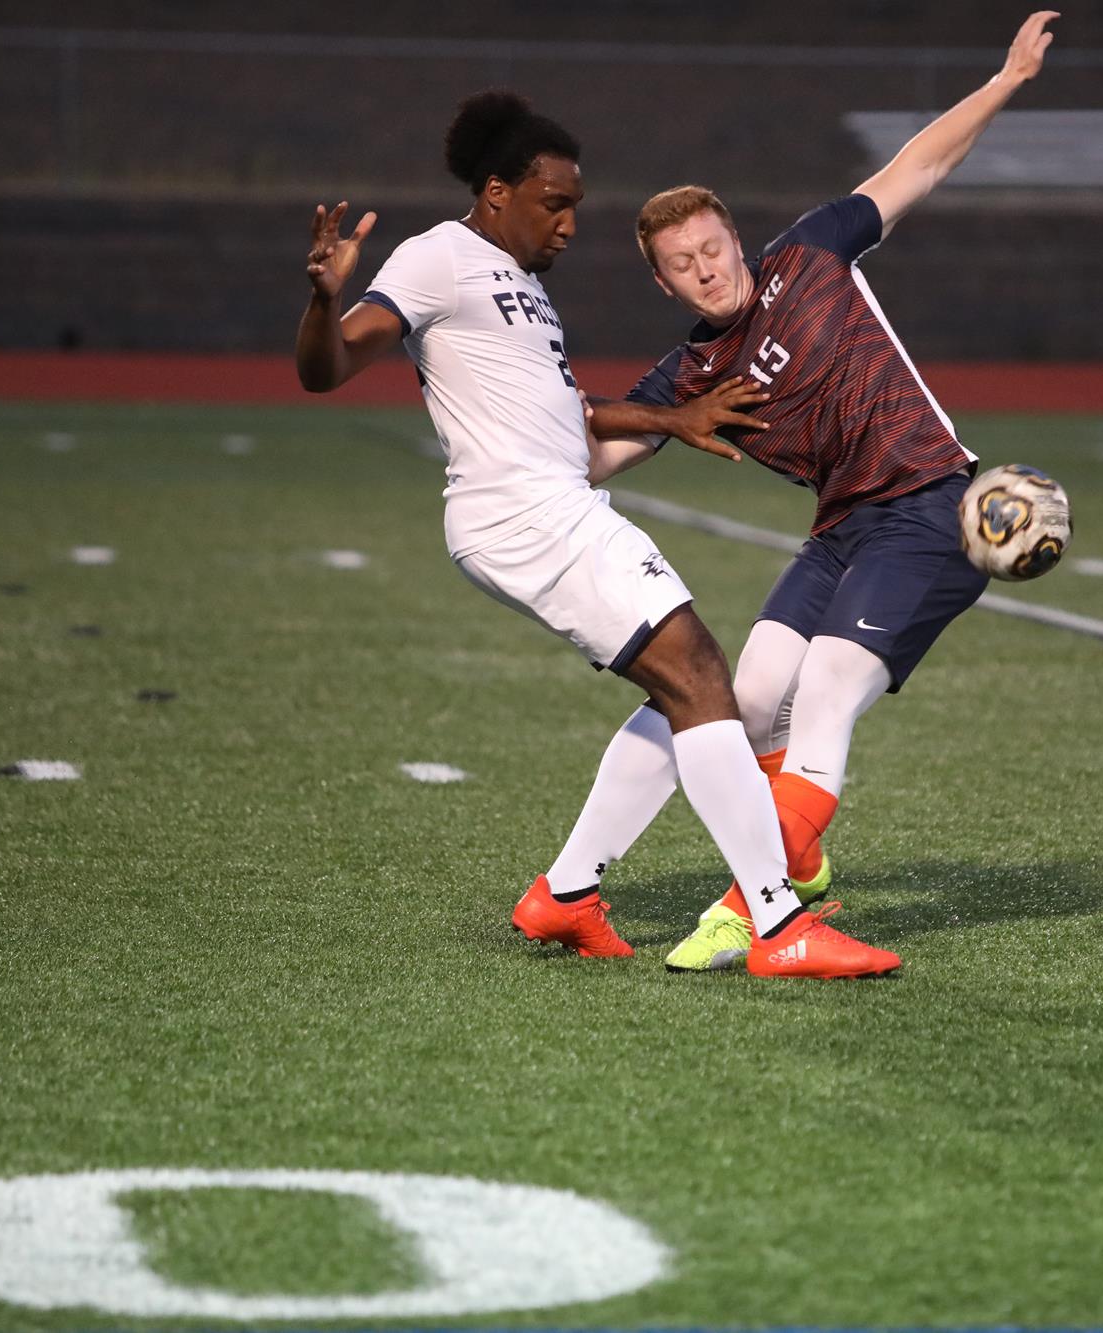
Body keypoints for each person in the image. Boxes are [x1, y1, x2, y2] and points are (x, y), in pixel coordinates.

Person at [296, 89, 901, 978]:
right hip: (525, 513)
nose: (571, 222)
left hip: (548, 506)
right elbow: (330, 366)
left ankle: (566, 898)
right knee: (700, 676)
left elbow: (563, 413)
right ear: (496, 192)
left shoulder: (527, 290)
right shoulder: (439, 257)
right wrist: (322, 301)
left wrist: (675, 416)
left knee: (678, 689)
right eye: (555, 202)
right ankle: (779, 923)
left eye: (576, 203)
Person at [548, 11, 1061, 970]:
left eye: (712, 247)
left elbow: (918, 166)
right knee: (741, 702)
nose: (706, 269)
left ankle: (759, 909)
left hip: (930, 508)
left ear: (737, 239)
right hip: (840, 535)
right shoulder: (684, 379)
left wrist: (1005, 81)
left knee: (823, 694)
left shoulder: (814, 254)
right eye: (682, 265)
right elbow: (594, 454)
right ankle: (777, 866)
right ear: (663, 283)